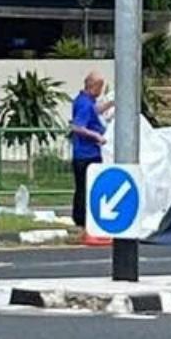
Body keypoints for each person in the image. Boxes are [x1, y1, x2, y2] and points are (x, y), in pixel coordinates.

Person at [69, 70, 113, 234]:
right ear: (93, 86)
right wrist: (96, 136)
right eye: (100, 87)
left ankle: (83, 218)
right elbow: (77, 126)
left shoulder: (85, 101)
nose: (101, 91)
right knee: (84, 187)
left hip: (87, 152)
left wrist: (111, 103)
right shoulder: (84, 104)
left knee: (85, 186)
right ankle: (81, 219)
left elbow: (95, 111)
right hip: (86, 153)